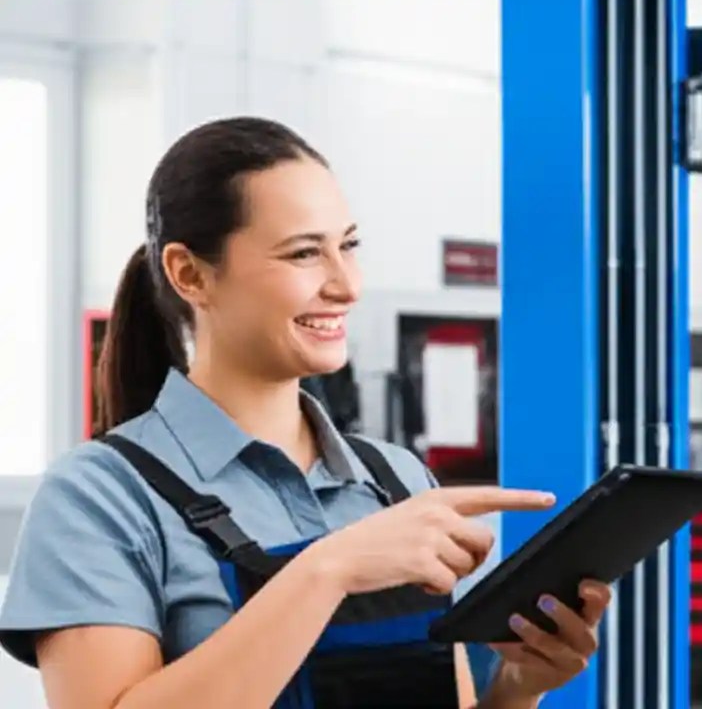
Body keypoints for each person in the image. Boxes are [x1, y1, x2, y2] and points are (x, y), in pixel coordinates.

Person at [0, 116, 610, 709]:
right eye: (303, 254)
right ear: (190, 274)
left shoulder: (396, 481)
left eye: (348, 246)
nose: (347, 285)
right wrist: (330, 568)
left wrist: (517, 689)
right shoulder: (99, 497)